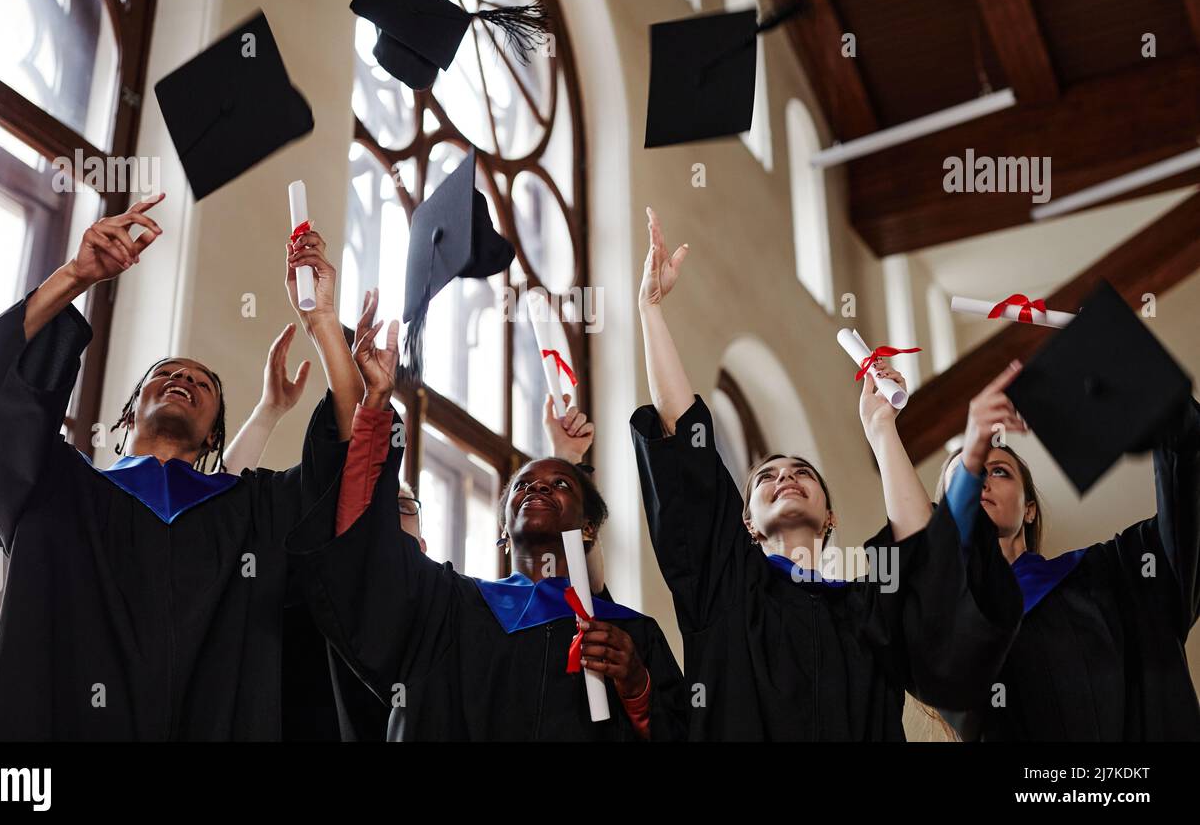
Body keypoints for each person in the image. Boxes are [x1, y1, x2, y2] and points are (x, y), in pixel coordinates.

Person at [0, 194, 362, 740]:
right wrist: (76, 276)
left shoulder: (254, 515)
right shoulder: (54, 487)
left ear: (213, 437)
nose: (185, 379)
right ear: (131, 408)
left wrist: (322, 321)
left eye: (205, 384)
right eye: (167, 373)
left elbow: (350, 460)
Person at [630, 206, 1021, 740]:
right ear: (745, 520)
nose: (786, 477)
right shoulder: (725, 586)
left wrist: (882, 428)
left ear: (830, 513)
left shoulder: (868, 609)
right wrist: (651, 310)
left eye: (802, 473)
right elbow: (682, 431)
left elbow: (920, 544)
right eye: (767, 477)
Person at [286, 290, 687, 740]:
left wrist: (637, 687)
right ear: (503, 531)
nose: (536, 487)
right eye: (522, 485)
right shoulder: (447, 606)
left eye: (560, 485)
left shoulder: (628, 635)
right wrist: (376, 403)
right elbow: (361, 553)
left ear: (589, 528)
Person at [932, 364, 1200, 740]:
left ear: (1029, 509)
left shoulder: (1116, 574)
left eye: (999, 472)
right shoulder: (947, 628)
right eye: (966, 476)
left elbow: (1188, 500)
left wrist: (1145, 385)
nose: (979, 481)